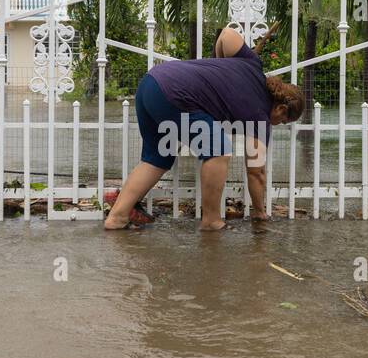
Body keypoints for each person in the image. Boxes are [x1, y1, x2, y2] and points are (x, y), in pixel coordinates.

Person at [103, 26, 305, 230]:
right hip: (175, 93)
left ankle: (117, 217)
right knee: (218, 149)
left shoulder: (252, 64)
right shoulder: (260, 117)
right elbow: (256, 172)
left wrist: (222, 66)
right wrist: (260, 212)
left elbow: (227, 35)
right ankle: (211, 220)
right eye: (283, 121)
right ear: (280, 108)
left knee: (157, 157)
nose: (277, 125)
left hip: (151, 83)